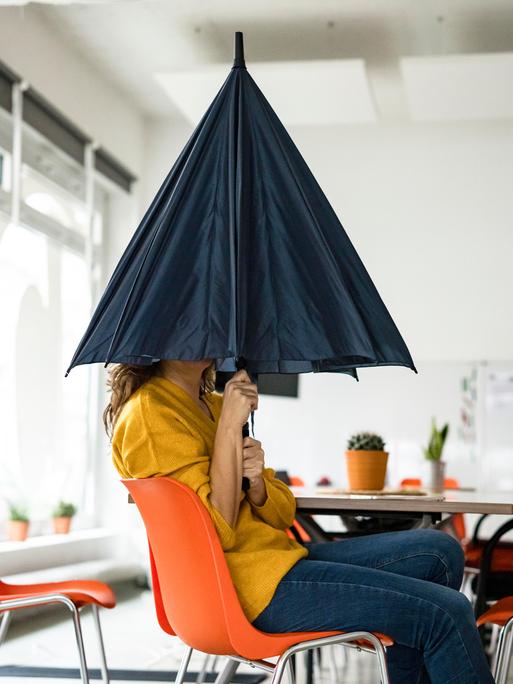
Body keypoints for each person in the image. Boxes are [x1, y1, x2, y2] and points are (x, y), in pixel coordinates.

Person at [107, 358, 494, 684]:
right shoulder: (151, 414)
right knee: (448, 611)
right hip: (243, 590)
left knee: (440, 551)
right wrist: (228, 427)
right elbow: (216, 531)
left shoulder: (209, 403)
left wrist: (256, 480)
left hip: (276, 562)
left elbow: (281, 514)